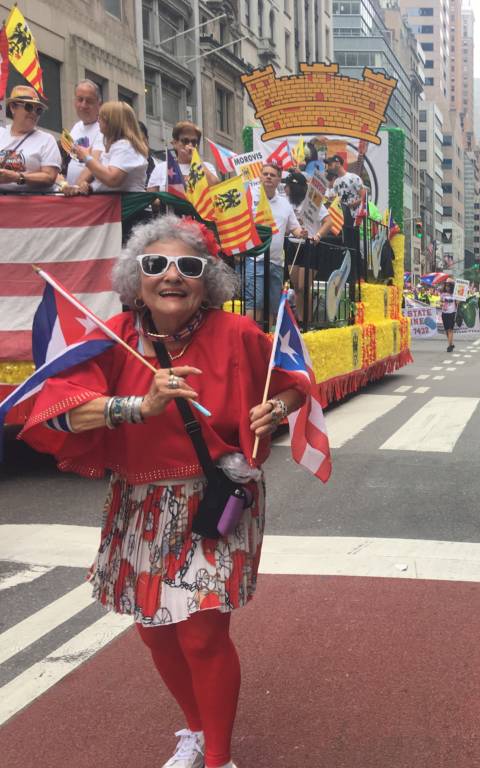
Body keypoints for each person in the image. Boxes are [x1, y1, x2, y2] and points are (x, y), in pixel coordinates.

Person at [19, 215, 310, 768]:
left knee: (201, 634)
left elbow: (294, 380)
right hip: (139, 503)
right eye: (155, 265)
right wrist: (139, 406)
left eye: (189, 266)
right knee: (156, 633)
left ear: (209, 281)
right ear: (136, 278)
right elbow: (56, 412)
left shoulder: (238, 334)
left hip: (217, 497)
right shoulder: (111, 338)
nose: (172, 276)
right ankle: (197, 729)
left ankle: (219, 758)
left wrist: (277, 409)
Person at [241, 163, 308, 322]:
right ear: (260, 176)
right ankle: (250, 342)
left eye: (272, 175)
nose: (268, 177)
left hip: (276, 263)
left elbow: (295, 229)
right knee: (254, 305)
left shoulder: (285, 203)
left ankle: (270, 341)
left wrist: (302, 233)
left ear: (279, 179)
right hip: (254, 259)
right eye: (265, 174)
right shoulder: (249, 197)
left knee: (274, 307)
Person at [65, 101, 149, 194]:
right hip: (115, 204)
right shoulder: (116, 146)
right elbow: (105, 183)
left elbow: (112, 179)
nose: (98, 121)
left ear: (112, 122)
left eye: (101, 117)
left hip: (124, 206)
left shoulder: (126, 146)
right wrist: (90, 187)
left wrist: (87, 158)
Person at [0, 85, 60, 191]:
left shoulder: (46, 140)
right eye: (29, 107)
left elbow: (50, 177)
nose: (34, 113)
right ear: (13, 107)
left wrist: (17, 177)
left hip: (30, 204)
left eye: (38, 110)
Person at [147, 121, 218, 192]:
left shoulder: (207, 167)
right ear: (175, 143)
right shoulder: (161, 168)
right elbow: (151, 196)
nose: (190, 145)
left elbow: (215, 186)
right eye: (185, 141)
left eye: (194, 142)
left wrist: (196, 160)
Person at [65, 79, 104, 186]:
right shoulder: (76, 127)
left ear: (99, 104)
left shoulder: (104, 128)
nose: (83, 105)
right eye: (80, 99)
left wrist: (76, 187)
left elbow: (96, 163)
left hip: (89, 195)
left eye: (89, 101)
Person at [440, 279, 457, 353]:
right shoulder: (443, 294)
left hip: (452, 313)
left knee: (450, 329)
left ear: (451, 286)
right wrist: (441, 303)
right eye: (446, 285)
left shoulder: (454, 294)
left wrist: (458, 302)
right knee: (446, 330)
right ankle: (451, 343)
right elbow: (440, 301)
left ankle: (450, 346)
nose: (447, 287)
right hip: (444, 313)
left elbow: (457, 303)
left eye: (448, 286)